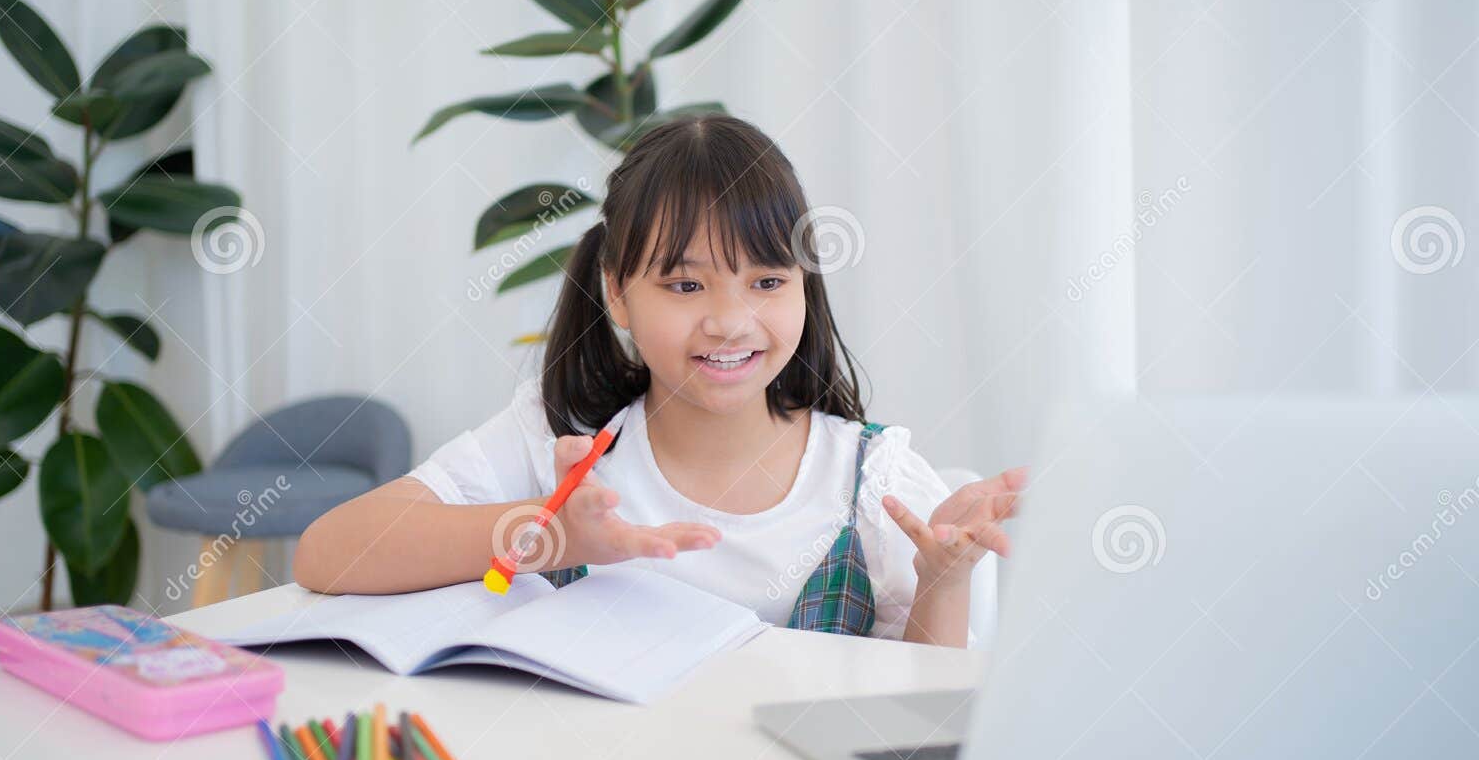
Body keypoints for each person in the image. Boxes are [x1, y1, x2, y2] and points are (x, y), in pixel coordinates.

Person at [294, 114, 1025, 646]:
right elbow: (328, 551)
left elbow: (923, 721)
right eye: (684, 286)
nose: (730, 321)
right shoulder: (563, 443)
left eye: (767, 280)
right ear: (617, 293)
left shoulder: (869, 478)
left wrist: (944, 579)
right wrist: (547, 535)